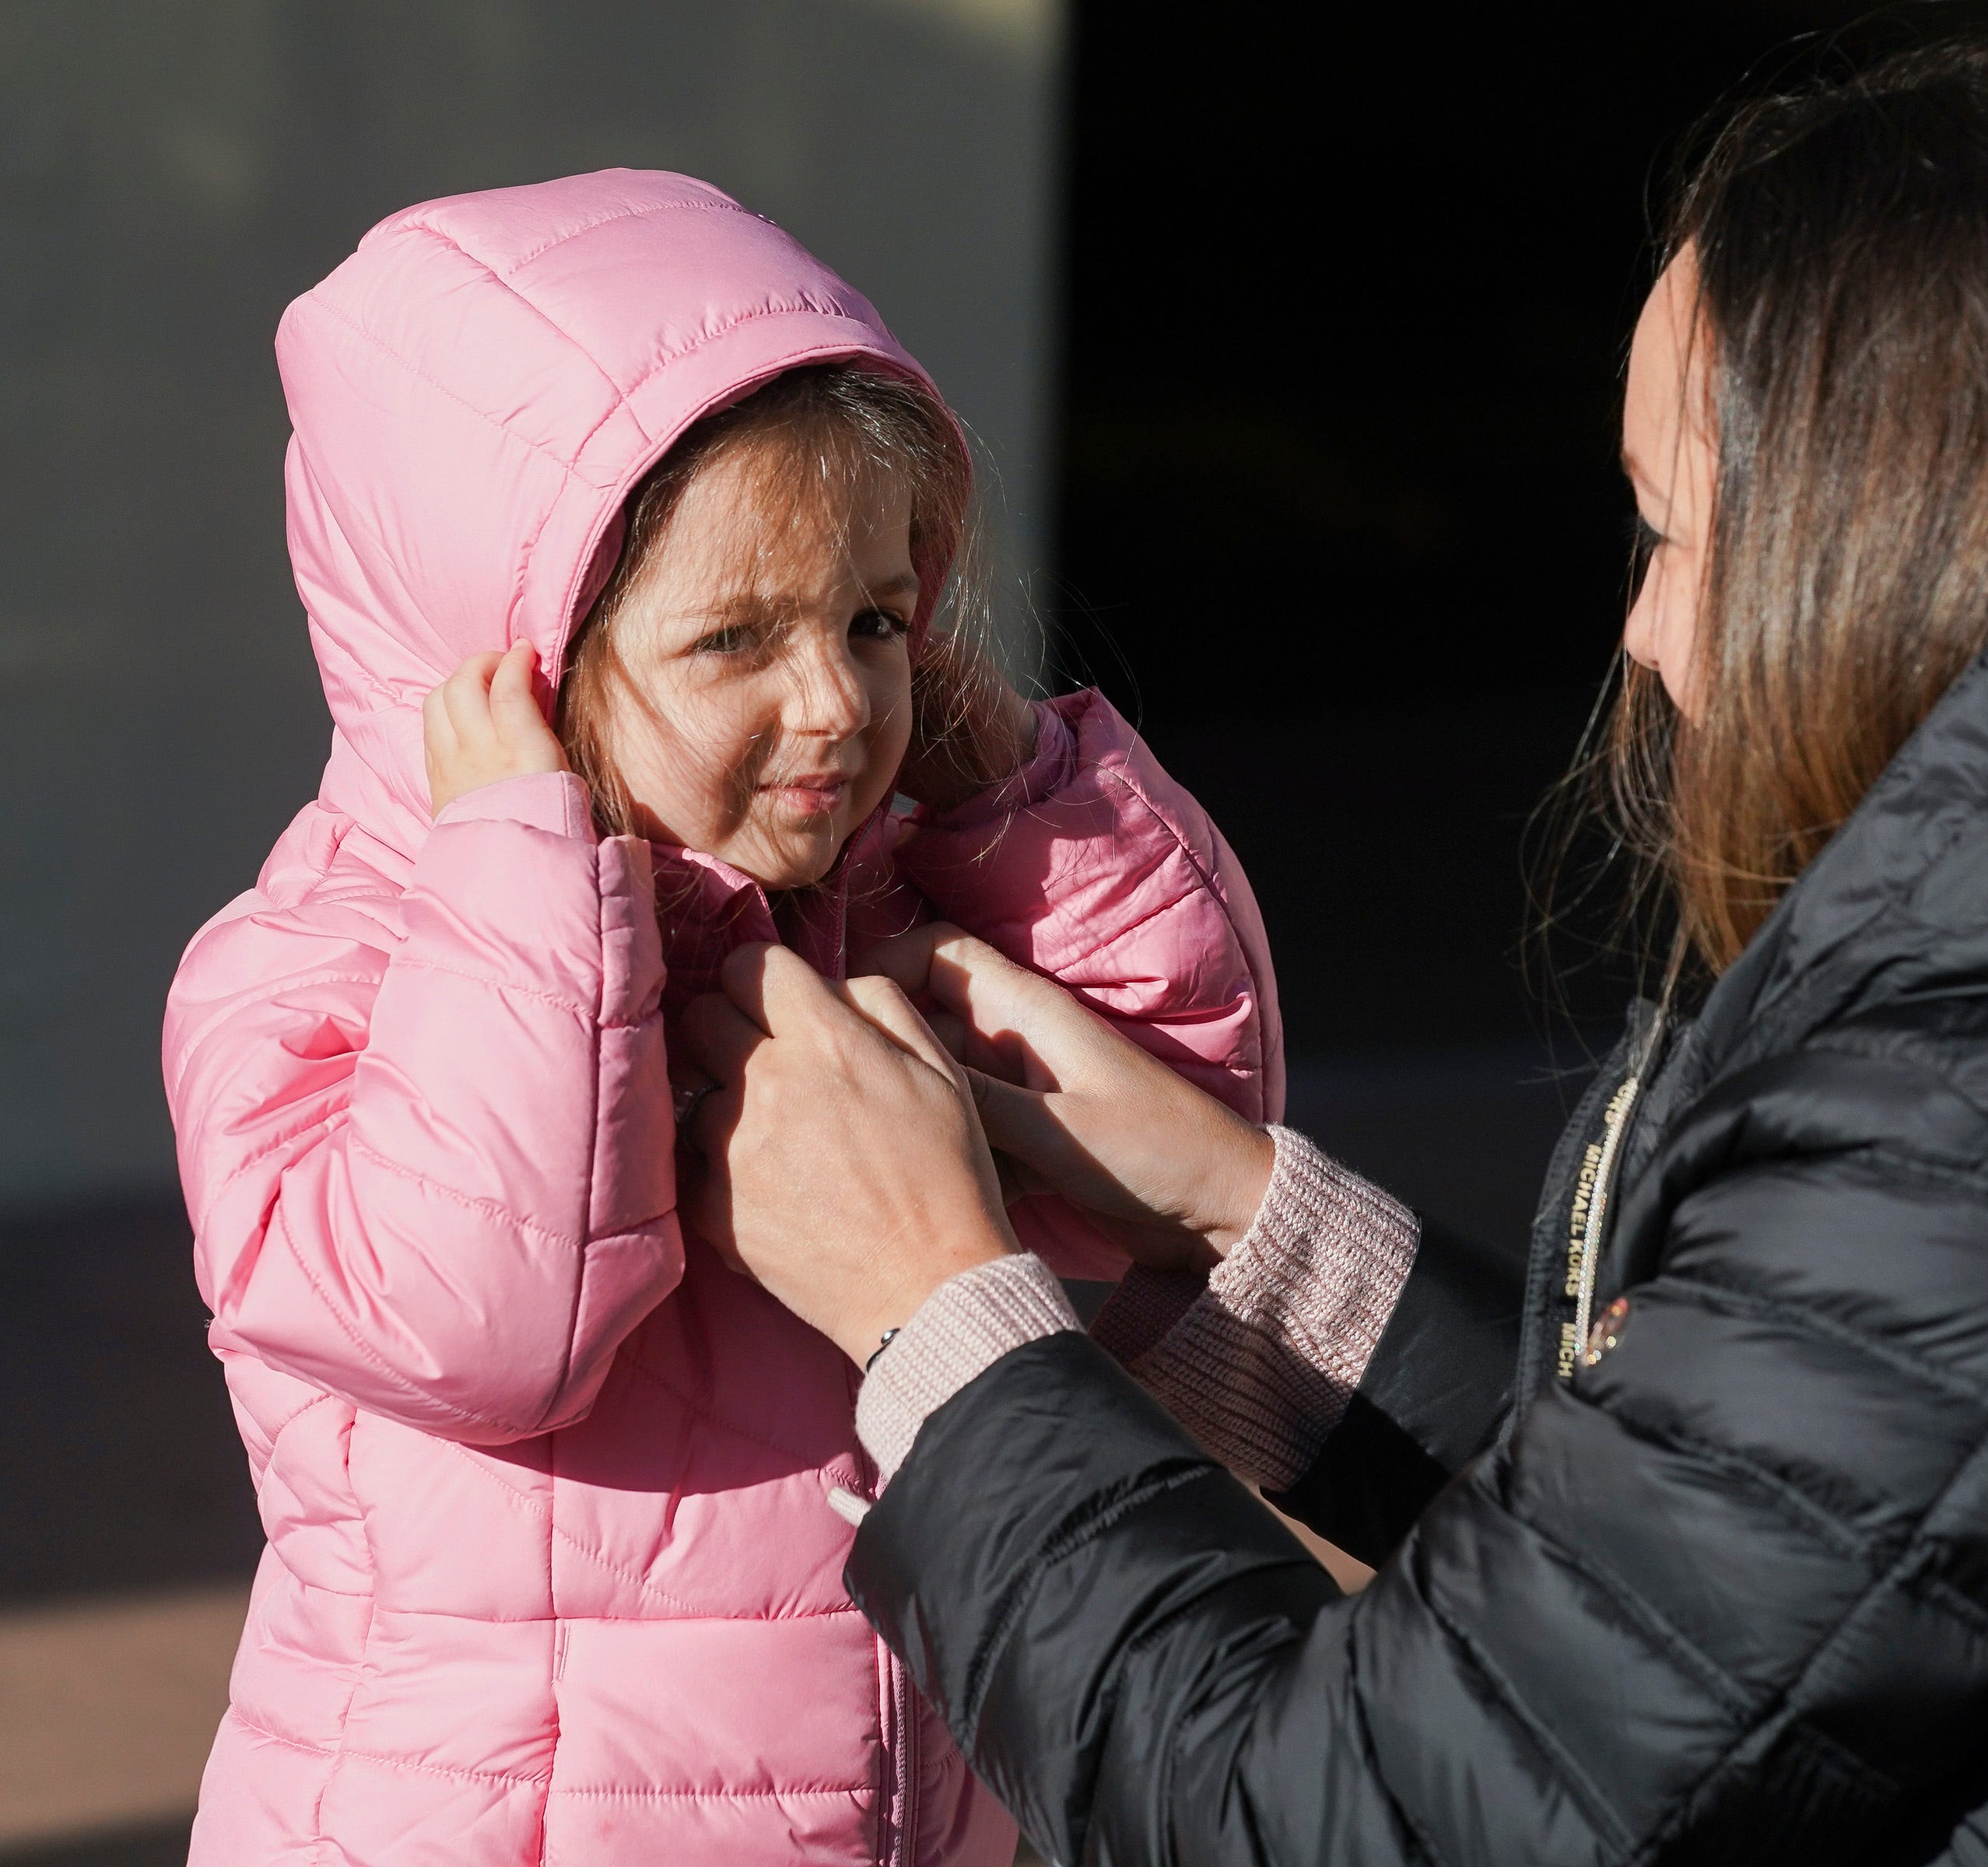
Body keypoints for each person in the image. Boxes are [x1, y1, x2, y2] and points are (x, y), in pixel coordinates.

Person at [682, 40, 1988, 1863]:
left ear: (1885, 547)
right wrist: (1242, 1229)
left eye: (1674, 533)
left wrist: (937, 1307)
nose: (1646, 634)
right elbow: (1741, 1570)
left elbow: (1360, 1820)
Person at [160, 170, 1279, 1866]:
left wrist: (1028, 795)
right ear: (510, 661)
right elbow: (485, 1323)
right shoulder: (319, 975)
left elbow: (1183, 1136)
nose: (835, 700)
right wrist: (523, 872)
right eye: (737, 638)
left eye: (877, 619)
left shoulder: (874, 921)